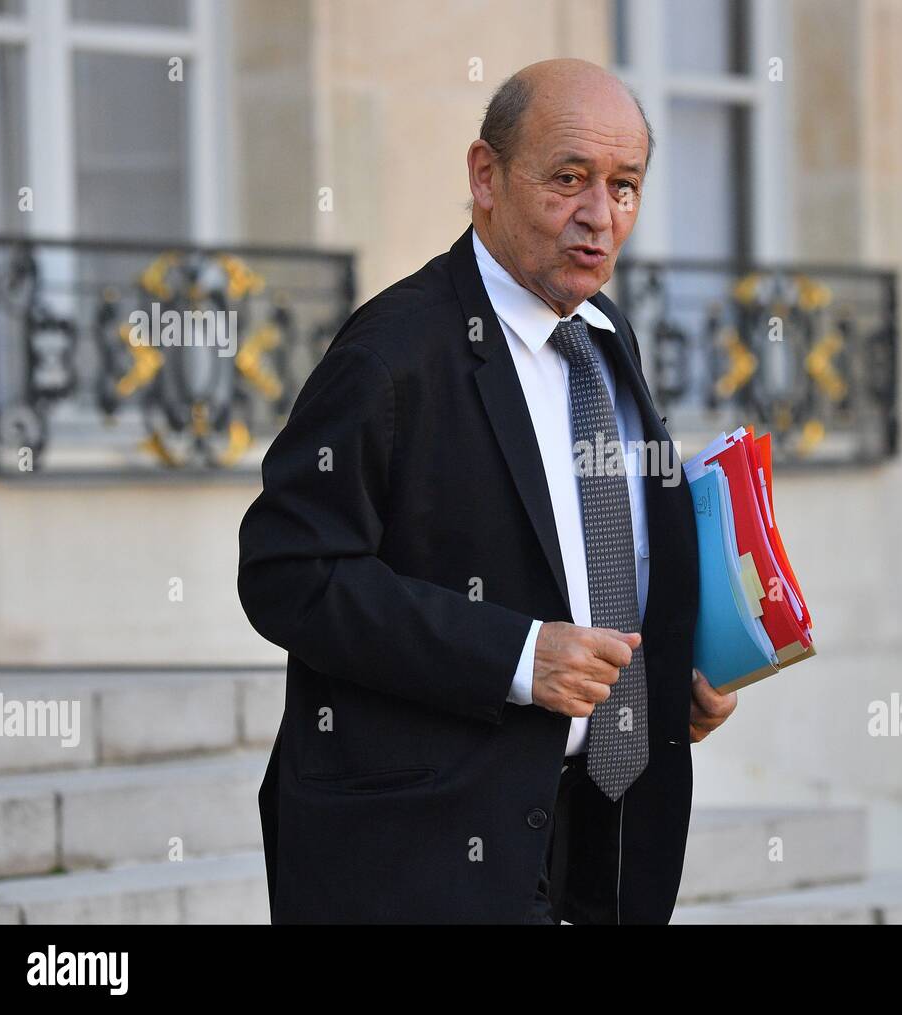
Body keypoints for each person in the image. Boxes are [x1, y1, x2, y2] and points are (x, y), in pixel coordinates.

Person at [237, 58, 737, 924]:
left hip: (600, 831)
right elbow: (288, 572)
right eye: (569, 179)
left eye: (625, 186)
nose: (599, 216)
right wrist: (515, 657)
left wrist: (668, 670)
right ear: (485, 177)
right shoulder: (390, 351)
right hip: (424, 851)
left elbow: (591, 550)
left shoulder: (605, 331)